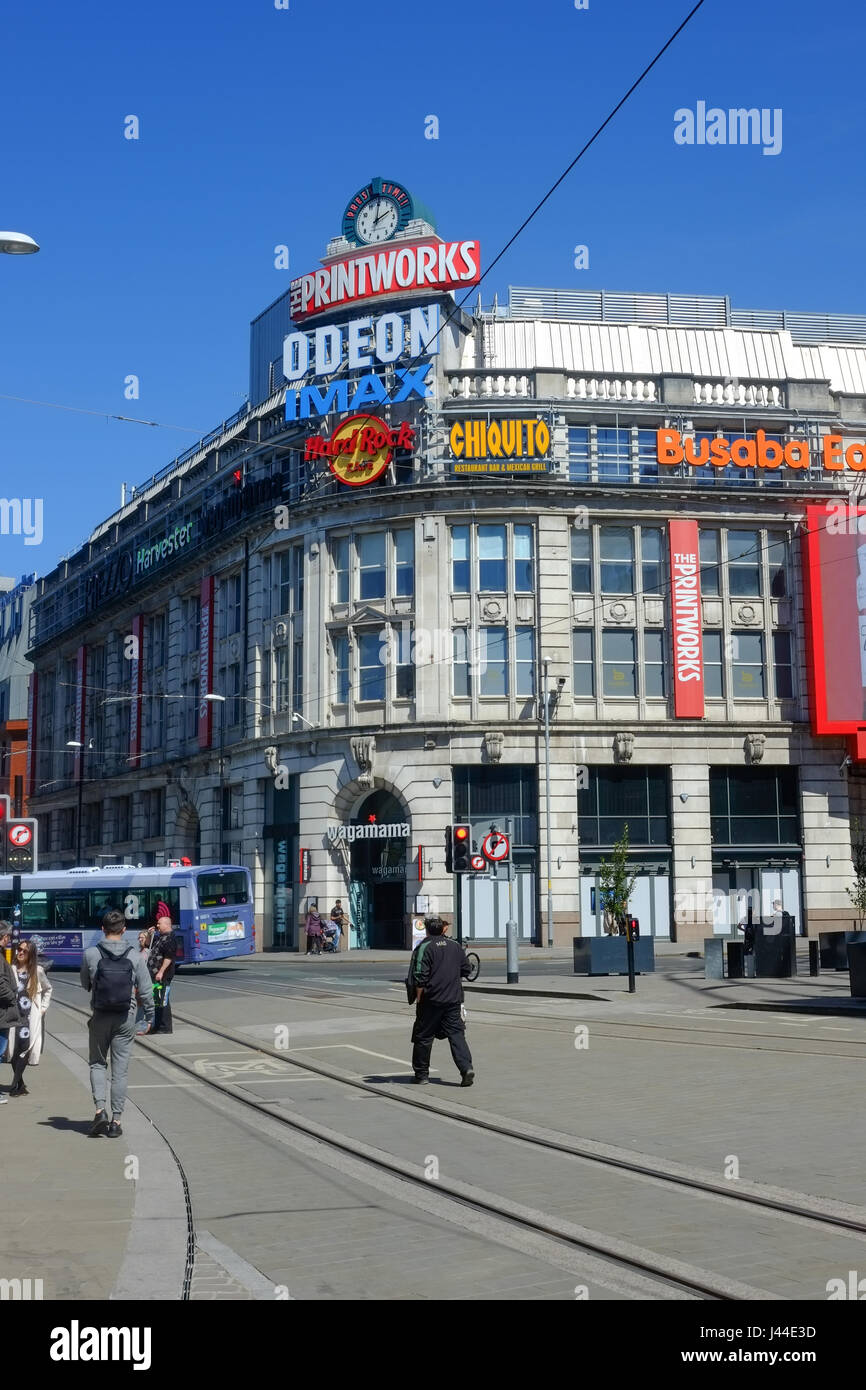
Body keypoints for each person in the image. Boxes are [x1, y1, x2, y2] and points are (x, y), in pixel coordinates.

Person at [81, 909, 154, 1137]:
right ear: (124, 930)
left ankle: (100, 1109)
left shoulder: (91, 953)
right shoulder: (134, 956)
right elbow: (146, 991)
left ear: (102, 929)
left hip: (101, 1015)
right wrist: (150, 1017)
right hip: (126, 1017)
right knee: (120, 1072)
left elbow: (85, 984)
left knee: (97, 1064)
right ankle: (117, 1122)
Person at [406, 915, 474, 1087]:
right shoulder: (455, 946)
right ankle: (466, 1068)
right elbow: (466, 969)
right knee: (457, 1034)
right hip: (453, 1000)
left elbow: (420, 976)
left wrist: (419, 998)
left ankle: (421, 1075)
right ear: (443, 929)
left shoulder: (424, 947)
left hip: (431, 1000)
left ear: (427, 929)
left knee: (423, 1036)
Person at [7, 940, 53, 1097]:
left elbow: (48, 989)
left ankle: (15, 1083)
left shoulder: (37, 971)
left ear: (30, 954)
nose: (19, 952)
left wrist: (43, 1009)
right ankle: (20, 1083)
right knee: (13, 1050)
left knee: (25, 1048)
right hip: (13, 1016)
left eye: (24, 951)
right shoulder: (10, 969)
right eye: (18, 949)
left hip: (29, 1018)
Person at [0, 922, 22, 1105]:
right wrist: (12, 999)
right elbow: (0, 985)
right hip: (2, 1012)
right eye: (7, 937)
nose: (9, 940)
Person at [148, 902, 178, 1034]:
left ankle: (165, 1027)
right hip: (156, 974)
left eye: (159, 924)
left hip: (162, 975)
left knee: (161, 1001)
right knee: (158, 1000)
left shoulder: (170, 939)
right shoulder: (161, 937)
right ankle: (158, 1025)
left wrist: (160, 972)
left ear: (167, 924)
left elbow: (169, 957)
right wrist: (150, 935)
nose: (157, 925)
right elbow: (147, 944)